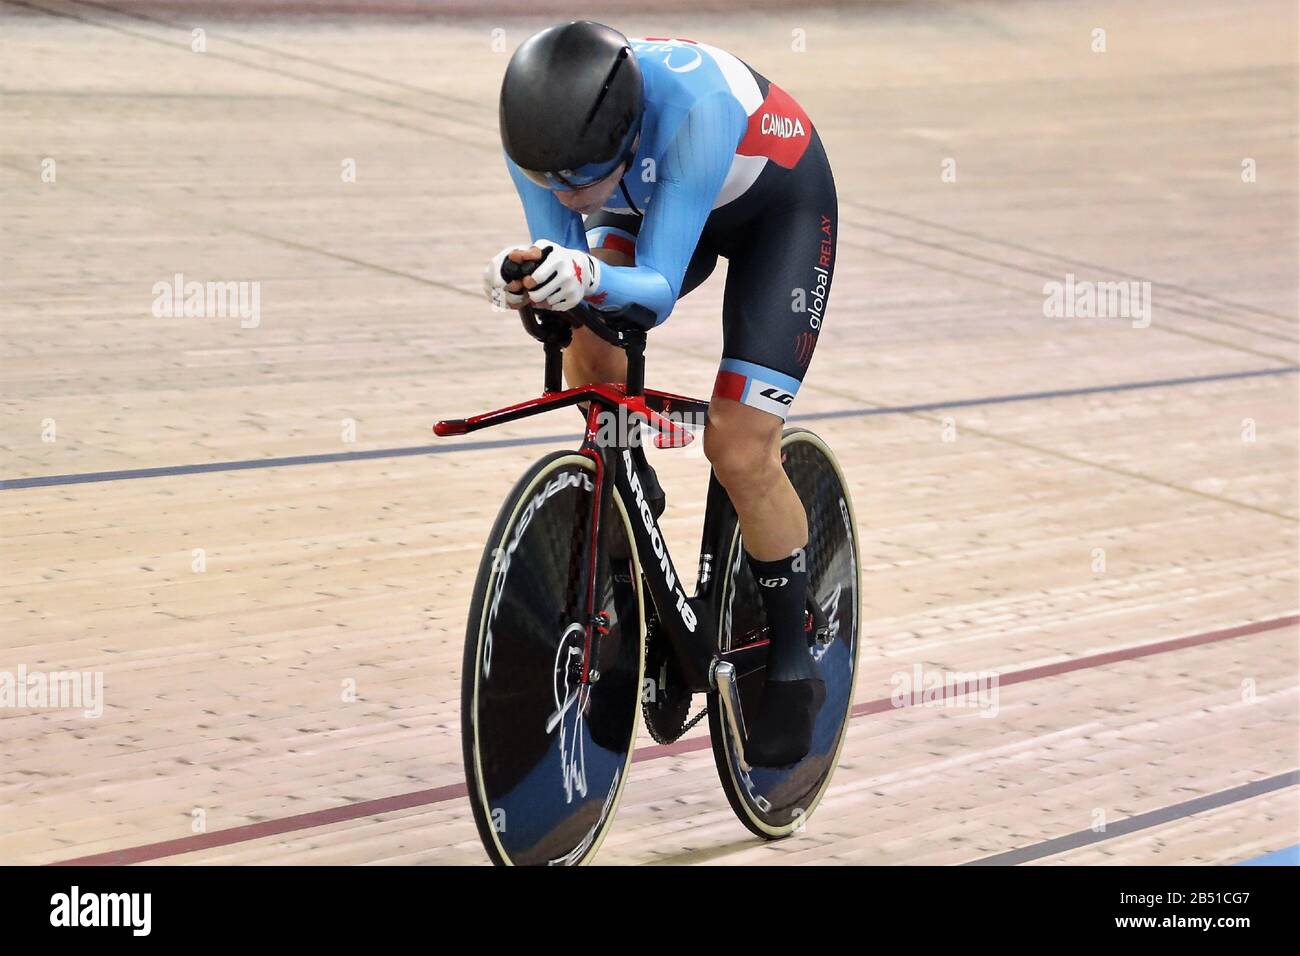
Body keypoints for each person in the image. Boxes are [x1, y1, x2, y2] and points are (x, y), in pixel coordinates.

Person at [482, 21, 838, 767]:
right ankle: (626, 490)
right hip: (653, 197)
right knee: (588, 338)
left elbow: (655, 294)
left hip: (778, 211)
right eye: (553, 181)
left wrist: (582, 276)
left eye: (580, 180)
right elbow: (573, 267)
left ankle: (795, 664)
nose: (565, 194)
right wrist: (536, 280)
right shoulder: (542, 142)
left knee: (737, 446)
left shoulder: (695, 112)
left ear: (622, 136)